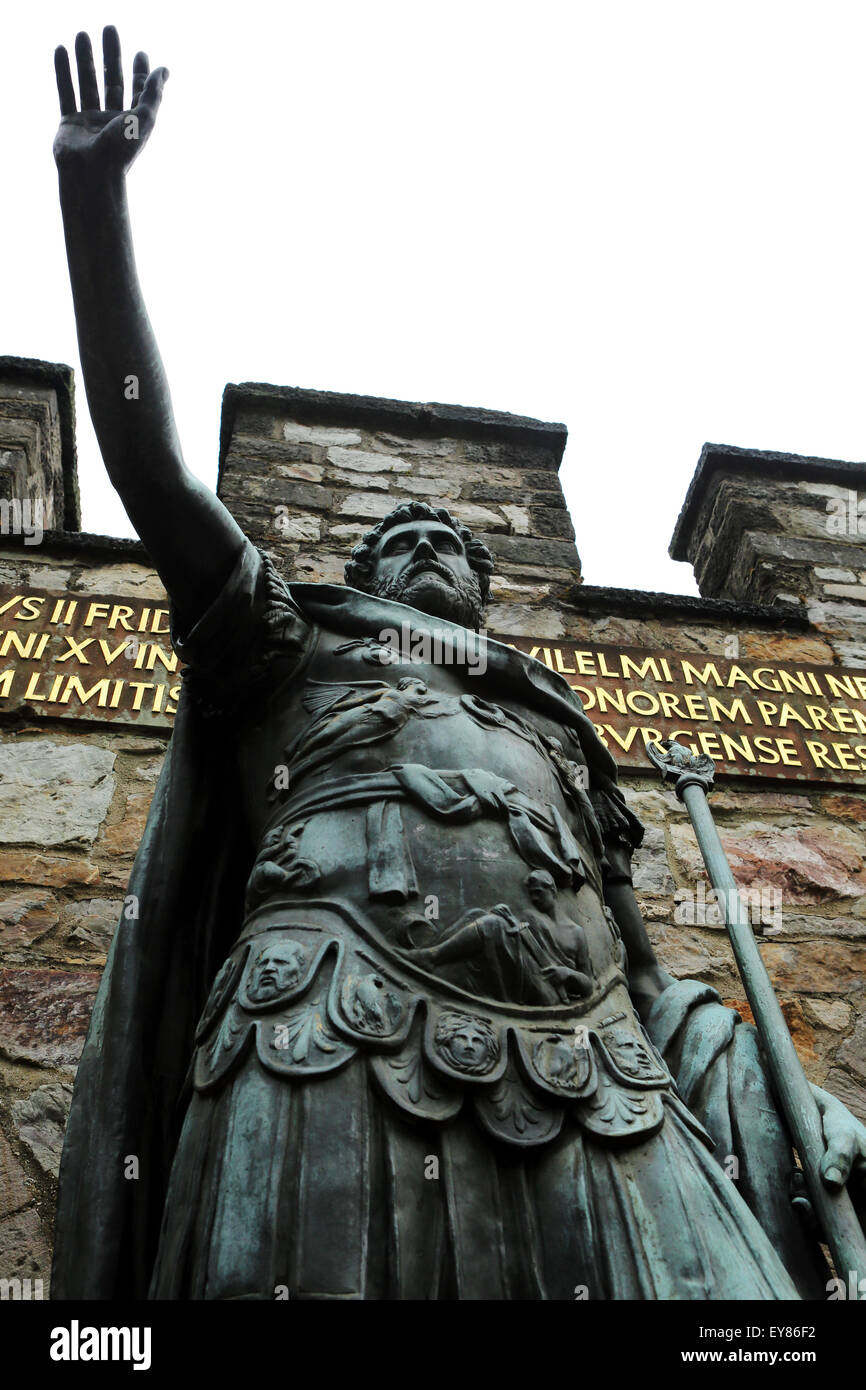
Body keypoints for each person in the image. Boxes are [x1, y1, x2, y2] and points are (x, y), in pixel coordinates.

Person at [51, 28, 865, 1301]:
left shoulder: (552, 734)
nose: (427, 545)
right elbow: (152, 473)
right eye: (402, 538)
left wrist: (774, 1086)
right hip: (325, 1029)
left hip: (602, 1079)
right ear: (366, 580)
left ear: (484, 599)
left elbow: (648, 974)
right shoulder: (285, 645)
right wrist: (92, 204)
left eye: (450, 544)